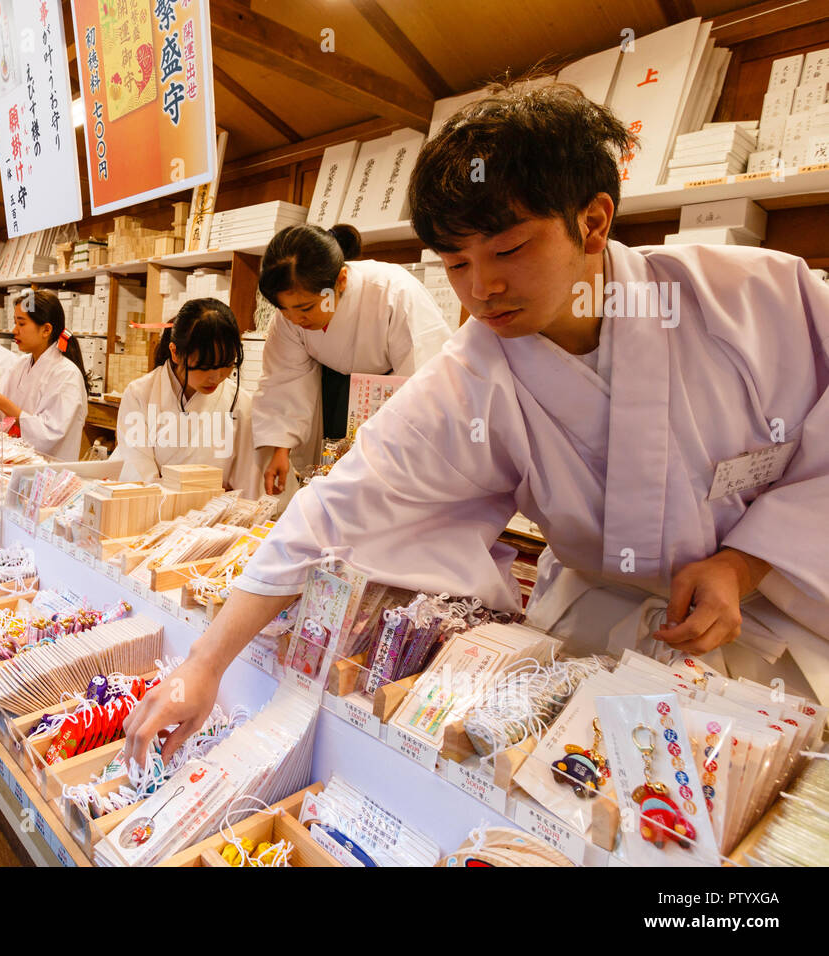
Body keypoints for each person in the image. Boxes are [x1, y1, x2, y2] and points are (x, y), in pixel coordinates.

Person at [122, 81, 829, 767]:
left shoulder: (753, 298)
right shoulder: (476, 372)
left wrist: (742, 563)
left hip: (781, 621)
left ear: (594, 219)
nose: (481, 289)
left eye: (509, 250)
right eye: (456, 262)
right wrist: (206, 662)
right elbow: (340, 506)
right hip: (604, 640)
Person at [253, 222, 454, 498]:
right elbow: (284, 379)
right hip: (330, 396)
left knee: (380, 492)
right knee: (330, 492)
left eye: (306, 308)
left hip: (390, 399)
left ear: (341, 281)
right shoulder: (291, 318)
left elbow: (422, 380)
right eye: (284, 310)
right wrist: (280, 448)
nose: (296, 320)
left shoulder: (394, 292)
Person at [112, 297, 261, 495]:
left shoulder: (241, 402)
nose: (216, 377)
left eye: (226, 364)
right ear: (175, 352)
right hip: (153, 512)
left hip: (216, 516)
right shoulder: (140, 394)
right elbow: (140, 475)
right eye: (205, 366)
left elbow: (249, 482)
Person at [0, 289, 88, 462]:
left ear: (46, 330)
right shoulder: (21, 364)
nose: (14, 330)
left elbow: (50, 436)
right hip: (14, 462)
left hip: (47, 470)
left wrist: (4, 405)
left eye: (21, 324)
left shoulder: (67, 375)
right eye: (15, 323)